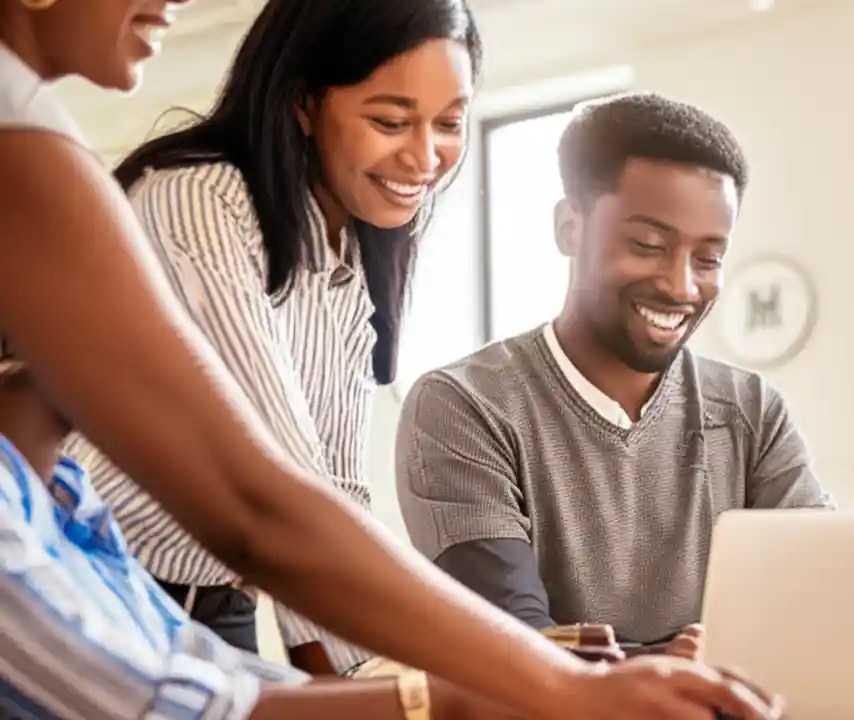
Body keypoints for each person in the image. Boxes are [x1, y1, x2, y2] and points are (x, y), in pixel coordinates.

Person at [0, 0, 783, 717]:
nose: (426, 156)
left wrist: (410, 679)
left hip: (213, 600)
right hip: (114, 579)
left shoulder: (349, 252)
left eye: (450, 123)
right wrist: (536, 685)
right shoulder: (201, 196)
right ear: (305, 102)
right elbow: (270, 502)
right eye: (390, 120)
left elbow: (330, 491)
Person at [396, 92, 835, 661]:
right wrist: (677, 662)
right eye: (648, 246)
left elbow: (823, 599)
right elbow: (516, 646)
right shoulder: (464, 406)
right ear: (569, 228)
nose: (681, 287)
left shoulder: (753, 413)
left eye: (707, 259)